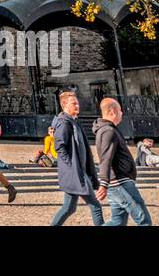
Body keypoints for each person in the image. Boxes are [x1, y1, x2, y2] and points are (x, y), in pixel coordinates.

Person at [50, 90, 105, 226]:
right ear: (65, 105)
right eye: (74, 103)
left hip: (79, 171)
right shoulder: (64, 123)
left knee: (69, 208)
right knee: (96, 207)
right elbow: (59, 147)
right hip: (76, 173)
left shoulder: (74, 121)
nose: (77, 105)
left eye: (77, 103)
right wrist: (71, 166)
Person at [93, 98, 150, 226]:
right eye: (119, 110)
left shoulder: (107, 129)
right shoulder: (108, 131)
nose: (122, 113)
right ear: (112, 111)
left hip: (117, 183)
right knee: (144, 220)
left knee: (117, 223)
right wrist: (103, 183)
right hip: (120, 183)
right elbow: (105, 158)